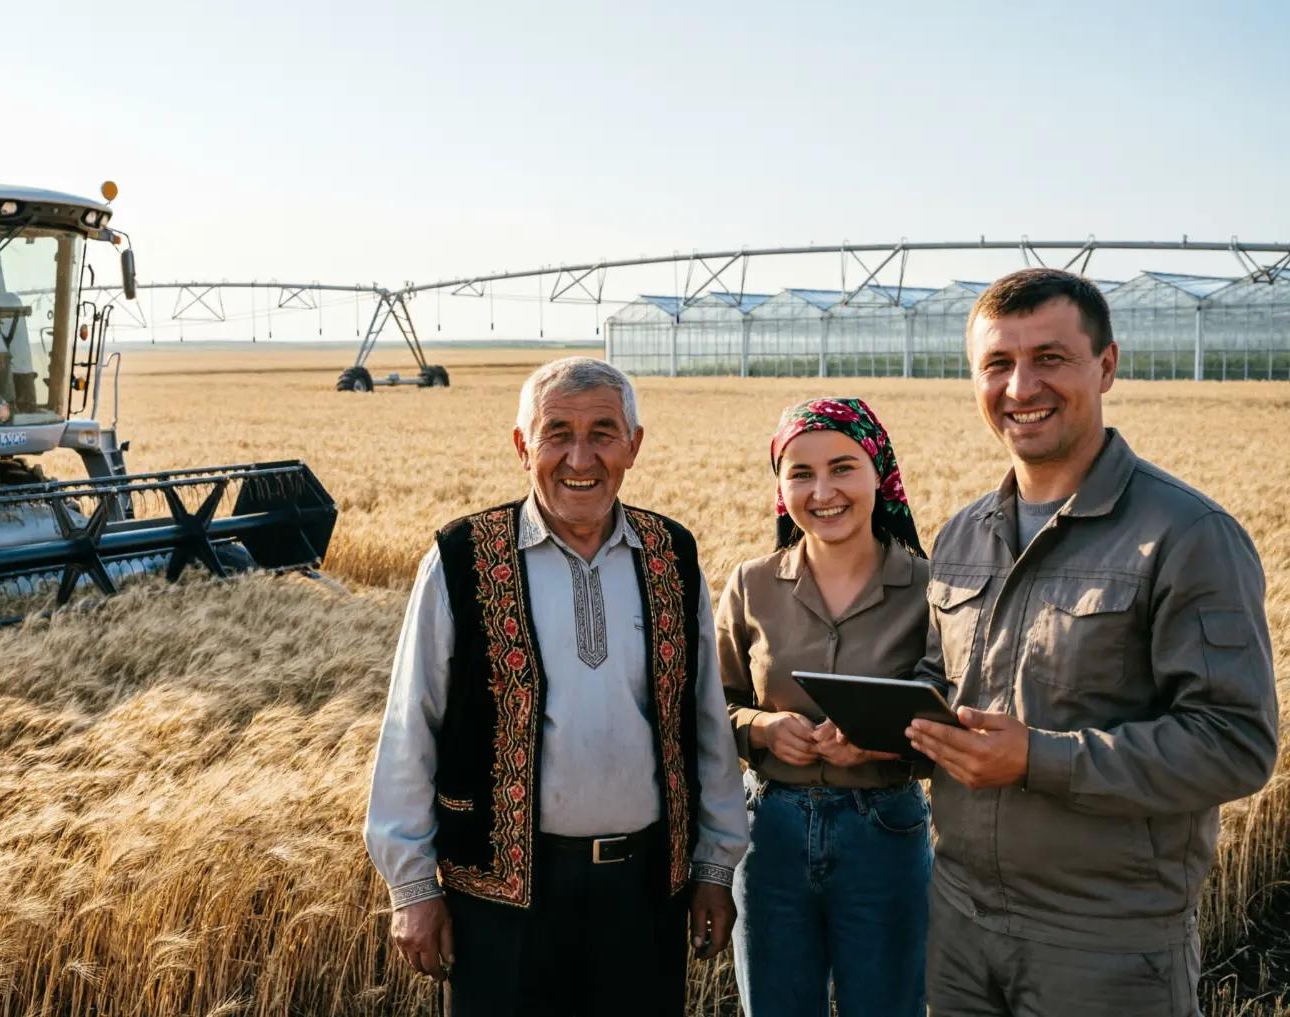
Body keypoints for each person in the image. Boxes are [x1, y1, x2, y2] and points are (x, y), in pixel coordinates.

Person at [905, 267, 1277, 1016]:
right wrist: (896, 725)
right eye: (998, 364)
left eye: (1050, 357)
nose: (1021, 387)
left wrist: (1038, 757)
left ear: (1106, 365)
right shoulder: (962, 533)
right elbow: (938, 674)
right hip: (956, 922)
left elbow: (1236, 741)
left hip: (1105, 943)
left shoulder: (1186, 535)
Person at [364, 356, 747, 1016]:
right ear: (522, 446)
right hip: (498, 901)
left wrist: (714, 869)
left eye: (603, 431)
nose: (580, 456)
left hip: (645, 894)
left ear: (634, 444)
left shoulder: (672, 554)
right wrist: (410, 886)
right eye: (556, 432)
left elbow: (706, 722)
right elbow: (411, 725)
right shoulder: (463, 556)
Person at [716, 397, 932, 1015]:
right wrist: (762, 729)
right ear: (781, 487)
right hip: (769, 837)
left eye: (843, 467)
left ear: (879, 473)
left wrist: (878, 740)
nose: (823, 490)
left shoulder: (929, 588)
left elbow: (954, 721)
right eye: (800, 473)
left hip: (885, 832)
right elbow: (711, 708)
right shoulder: (751, 584)